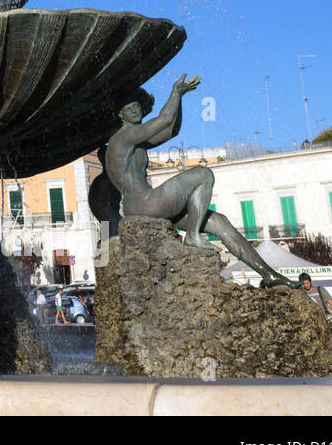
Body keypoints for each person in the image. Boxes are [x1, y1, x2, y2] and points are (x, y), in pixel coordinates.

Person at [99, 79, 299, 288]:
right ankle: (193, 235)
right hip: (146, 204)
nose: (134, 110)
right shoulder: (124, 137)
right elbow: (165, 119)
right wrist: (176, 91)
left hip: (150, 206)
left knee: (219, 222)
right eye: (129, 108)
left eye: (137, 107)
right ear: (120, 114)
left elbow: (171, 130)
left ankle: (268, 274)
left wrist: (181, 99)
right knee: (203, 173)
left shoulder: (136, 140)